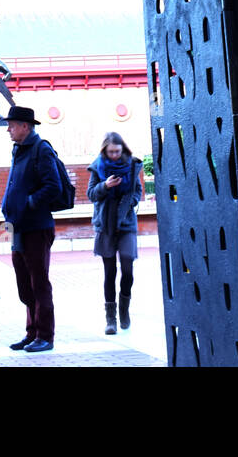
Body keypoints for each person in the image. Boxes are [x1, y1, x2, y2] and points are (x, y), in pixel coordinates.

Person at [0, 105, 61, 354]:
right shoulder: (19, 149)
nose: (8, 129)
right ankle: (32, 332)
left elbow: (53, 187)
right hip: (18, 227)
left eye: (12, 125)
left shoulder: (41, 149)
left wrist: (28, 203)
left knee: (39, 283)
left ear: (26, 126)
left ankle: (45, 335)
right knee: (24, 283)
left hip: (36, 227)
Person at [87, 131, 144, 333]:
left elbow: (138, 190)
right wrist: (105, 185)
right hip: (106, 224)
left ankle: (124, 310)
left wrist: (131, 202)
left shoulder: (132, 165)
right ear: (105, 150)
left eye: (117, 151)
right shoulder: (97, 167)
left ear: (123, 149)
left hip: (126, 222)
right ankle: (110, 318)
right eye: (110, 152)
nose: (114, 155)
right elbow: (91, 194)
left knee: (127, 268)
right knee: (109, 272)